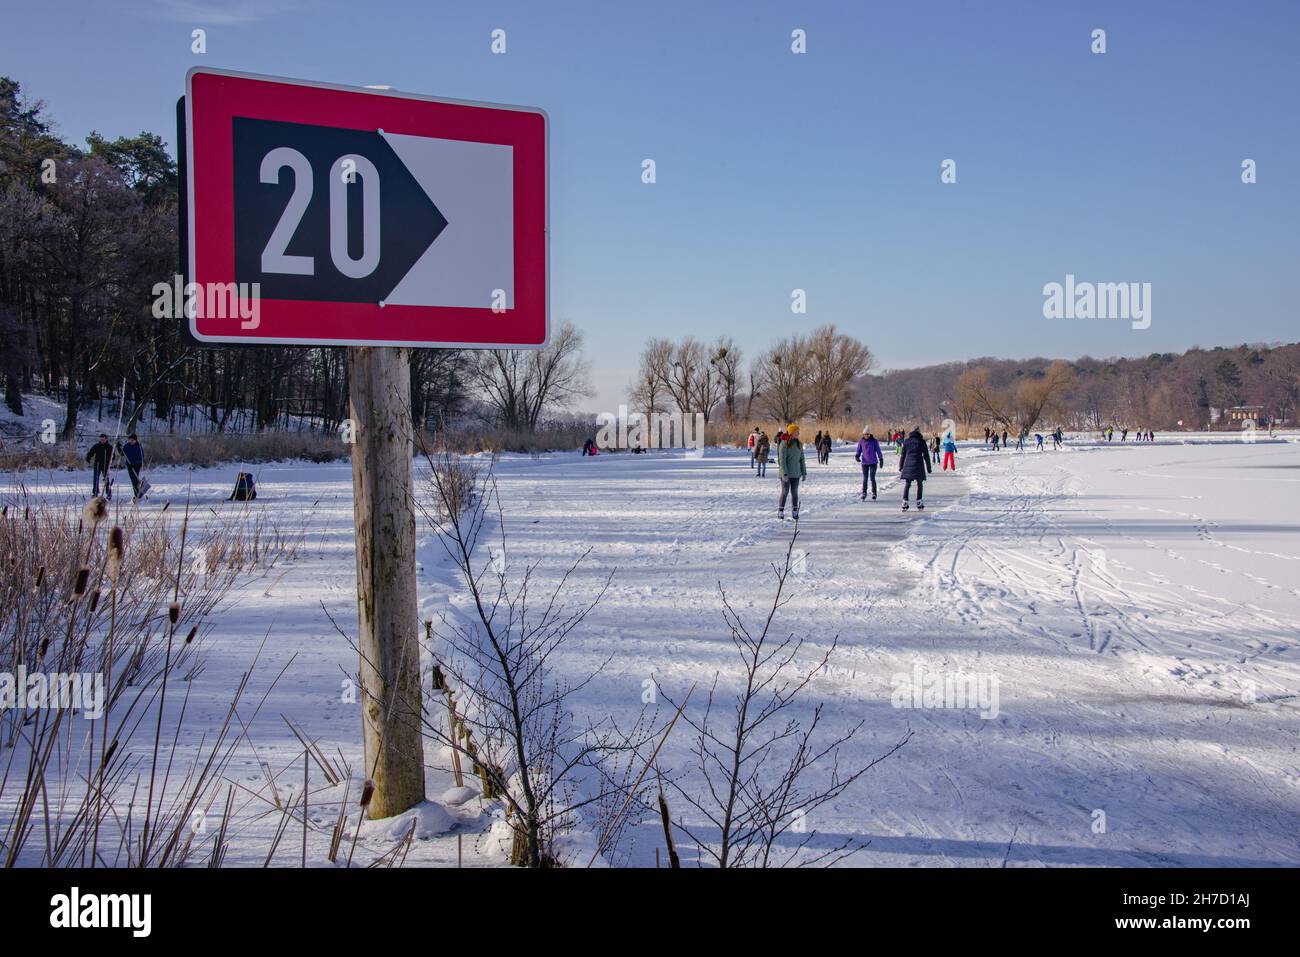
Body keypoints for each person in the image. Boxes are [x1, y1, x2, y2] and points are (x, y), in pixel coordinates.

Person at [777, 424, 807, 520]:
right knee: (785, 492)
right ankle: (781, 511)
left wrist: (804, 472)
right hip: (786, 473)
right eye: (796, 432)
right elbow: (782, 460)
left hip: (796, 473)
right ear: (791, 433)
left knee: (794, 492)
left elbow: (802, 459)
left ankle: (795, 511)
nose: (798, 433)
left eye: (798, 432)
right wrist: (784, 473)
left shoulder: (799, 444)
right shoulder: (784, 444)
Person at [898, 426, 932, 511]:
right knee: (919, 483)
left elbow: (903, 455)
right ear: (919, 432)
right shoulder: (922, 442)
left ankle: (905, 501)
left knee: (907, 483)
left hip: (908, 464)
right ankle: (919, 501)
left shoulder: (906, 441)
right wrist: (929, 468)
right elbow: (926, 456)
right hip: (918, 464)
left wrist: (901, 466)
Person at [855, 429, 884, 501]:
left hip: (873, 463)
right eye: (865, 434)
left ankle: (874, 493)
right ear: (863, 434)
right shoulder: (861, 441)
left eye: (868, 434)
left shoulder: (874, 441)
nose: (866, 435)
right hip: (864, 463)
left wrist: (881, 459)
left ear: (870, 434)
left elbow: (878, 450)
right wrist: (857, 456)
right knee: (865, 478)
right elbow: (859, 450)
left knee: (872, 478)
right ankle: (864, 493)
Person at [85, 433, 114, 498]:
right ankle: (95, 493)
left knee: (106, 479)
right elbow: (91, 452)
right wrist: (88, 457)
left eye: (103, 439)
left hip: (105, 465)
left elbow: (113, 456)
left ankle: (109, 493)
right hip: (97, 465)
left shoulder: (109, 447)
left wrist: (110, 460)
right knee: (96, 478)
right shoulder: (97, 446)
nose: (102, 441)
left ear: (106, 439)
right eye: (101, 439)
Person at [118, 433, 145, 500]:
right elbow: (122, 453)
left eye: (132, 440)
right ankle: (138, 493)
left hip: (136, 465)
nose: (130, 441)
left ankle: (138, 494)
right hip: (129, 465)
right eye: (129, 440)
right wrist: (118, 447)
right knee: (133, 480)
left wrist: (135, 463)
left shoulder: (138, 446)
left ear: (135, 440)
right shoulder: (127, 446)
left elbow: (141, 457)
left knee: (135, 479)